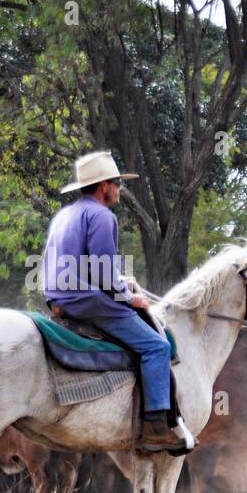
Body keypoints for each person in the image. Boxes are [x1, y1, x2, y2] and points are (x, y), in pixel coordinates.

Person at [42, 151, 188, 454]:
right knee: (156, 347)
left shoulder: (64, 215)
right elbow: (101, 272)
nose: (120, 190)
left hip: (58, 297)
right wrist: (130, 297)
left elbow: (80, 266)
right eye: (117, 184)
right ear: (103, 186)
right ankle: (155, 427)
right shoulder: (102, 216)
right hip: (88, 302)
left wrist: (123, 282)